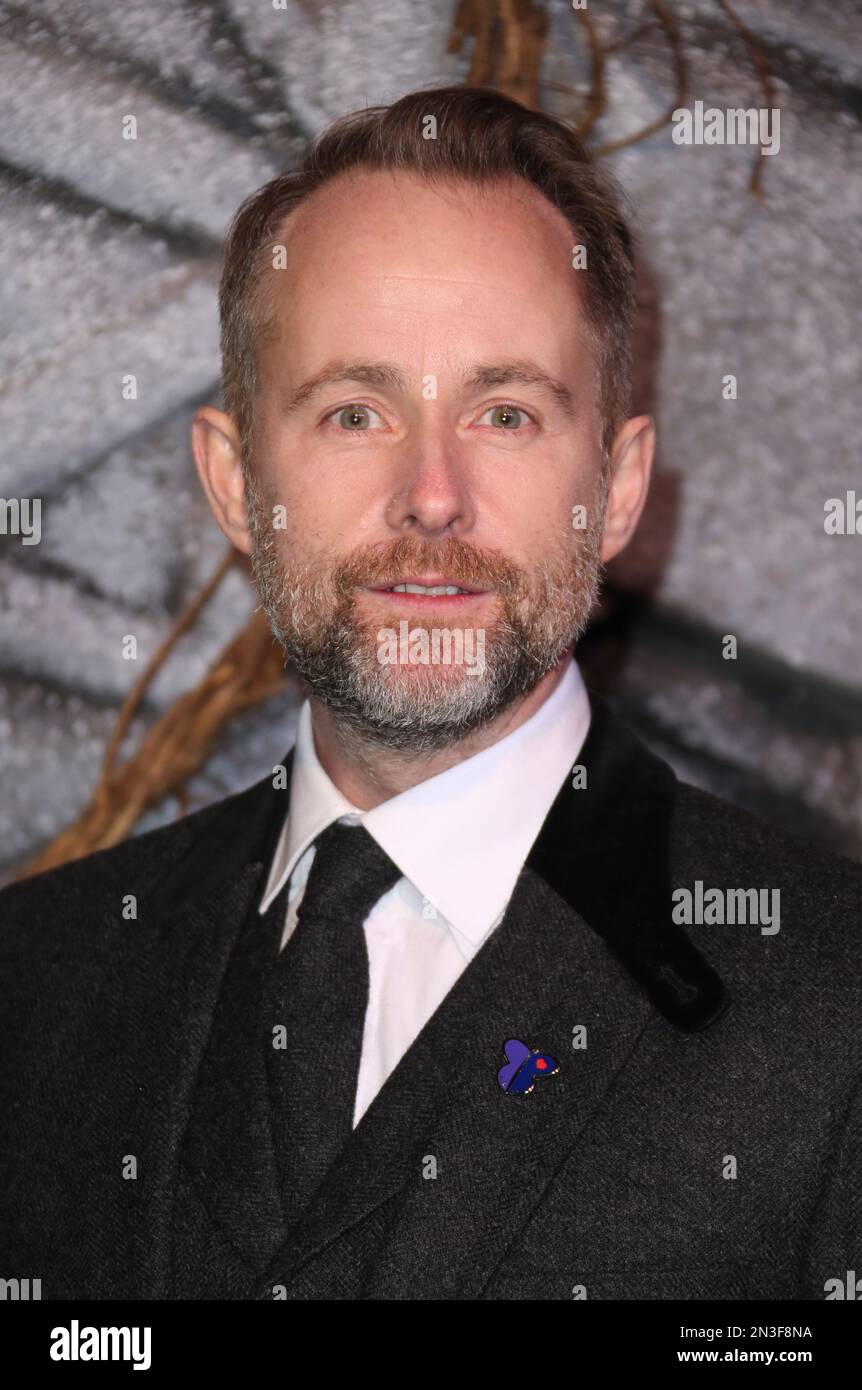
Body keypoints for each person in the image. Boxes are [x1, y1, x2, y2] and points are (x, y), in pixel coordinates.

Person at [1, 85, 860, 1302]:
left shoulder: (835, 1003)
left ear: (613, 490)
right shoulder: (34, 983)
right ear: (237, 484)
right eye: (356, 412)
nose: (433, 495)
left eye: (504, 413)